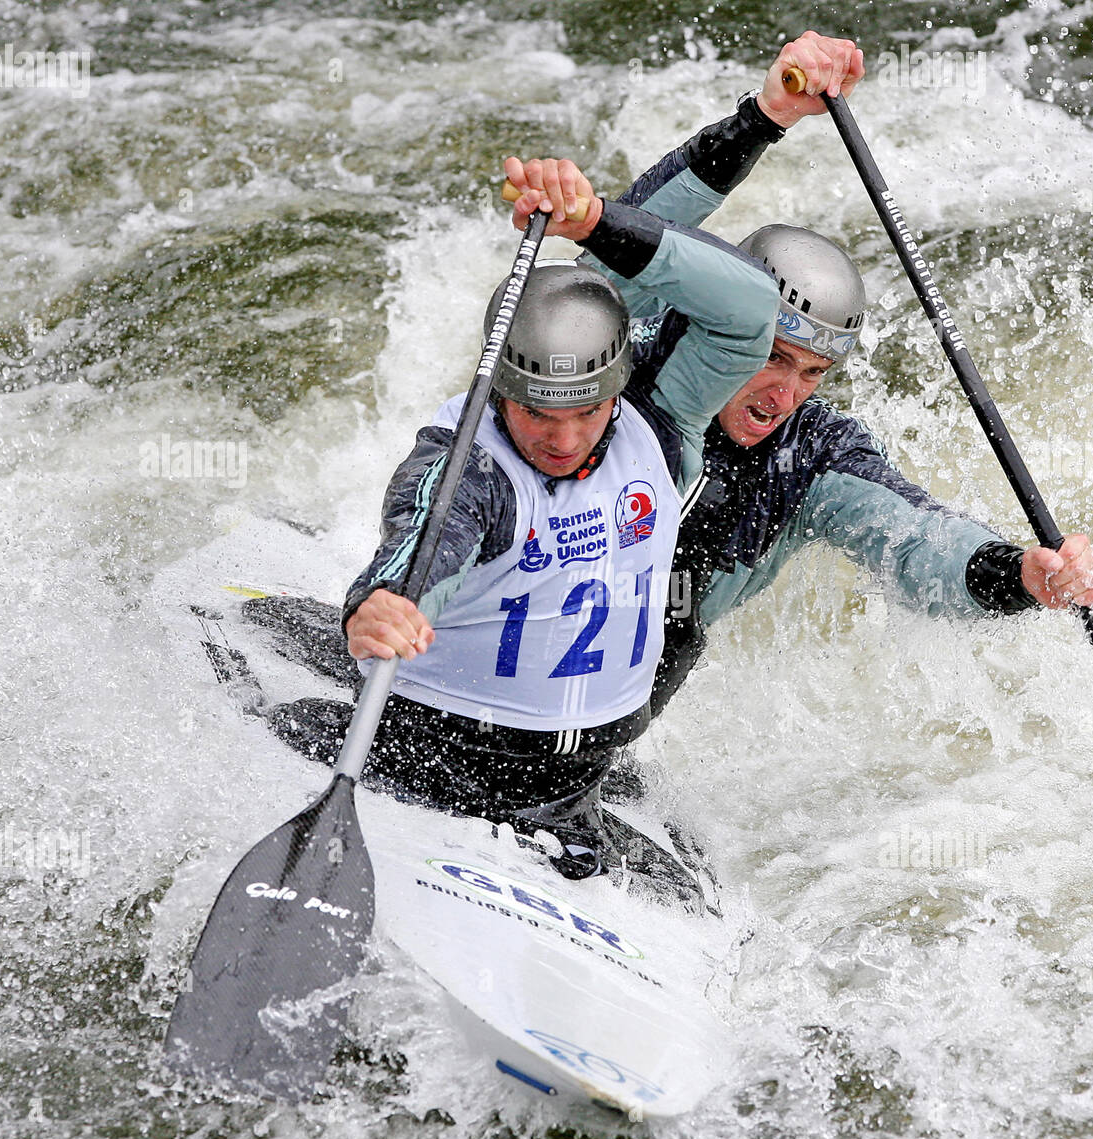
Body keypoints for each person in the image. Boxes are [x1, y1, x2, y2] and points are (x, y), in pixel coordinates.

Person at [538, 30, 1093, 720]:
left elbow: (918, 543)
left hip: (616, 701)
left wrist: (1019, 575)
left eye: (812, 372)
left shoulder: (813, 457)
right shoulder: (636, 333)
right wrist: (765, 116)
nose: (785, 394)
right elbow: (643, 225)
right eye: (772, 355)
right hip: (514, 616)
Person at [269, 153, 779, 885]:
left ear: (617, 390)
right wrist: (381, 603)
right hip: (421, 760)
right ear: (501, 388)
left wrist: (600, 221)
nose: (562, 440)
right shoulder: (469, 468)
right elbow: (425, 534)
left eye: (586, 413)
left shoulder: (663, 428)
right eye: (536, 411)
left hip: (571, 793)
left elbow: (751, 309)